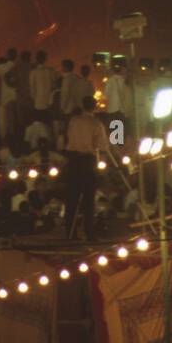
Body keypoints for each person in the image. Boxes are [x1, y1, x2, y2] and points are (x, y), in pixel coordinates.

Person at [63, 97, 111, 240]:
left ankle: (70, 232)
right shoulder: (96, 124)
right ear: (94, 107)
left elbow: (69, 137)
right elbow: (102, 146)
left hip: (73, 160)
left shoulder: (74, 121)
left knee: (72, 198)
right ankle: (89, 231)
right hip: (86, 160)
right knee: (88, 199)